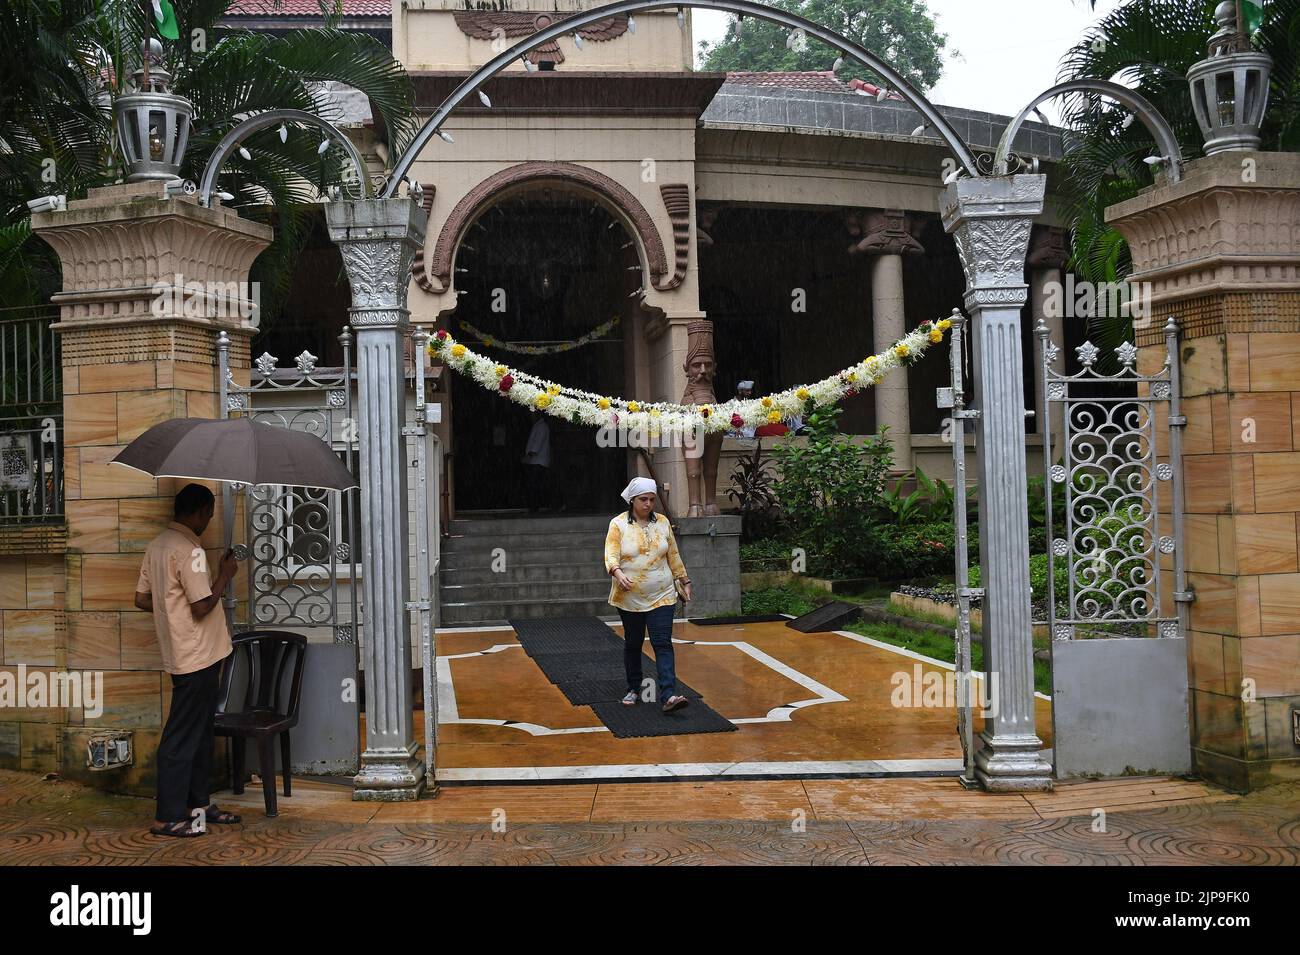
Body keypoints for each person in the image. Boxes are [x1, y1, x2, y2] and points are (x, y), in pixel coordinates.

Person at [134, 483, 240, 837]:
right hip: (199, 656)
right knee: (182, 736)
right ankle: (167, 816)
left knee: (198, 734)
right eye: (209, 514)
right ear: (197, 512)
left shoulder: (157, 545)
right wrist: (224, 576)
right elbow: (201, 606)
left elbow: (142, 598)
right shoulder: (189, 550)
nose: (209, 520)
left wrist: (171, 612)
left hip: (182, 653)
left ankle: (199, 805)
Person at [604, 477, 692, 712]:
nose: (648, 504)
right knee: (633, 643)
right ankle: (634, 688)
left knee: (662, 643)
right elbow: (610, 554)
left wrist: (684, 579)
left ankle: (669, 695)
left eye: (652, 500)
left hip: (662, 594)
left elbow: (673, 553)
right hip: (629, 596)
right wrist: (617, 572)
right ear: (632, 500)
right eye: (643, 499)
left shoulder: (662, 523)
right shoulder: (618, 524)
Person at [521, 412, 553, 512]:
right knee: (537, 486)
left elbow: (536, 446)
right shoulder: (539, 426)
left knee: (535, 486)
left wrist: (527, 457)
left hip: (538, 462)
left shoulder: (541, 427)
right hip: (536, 461)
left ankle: (535, 507)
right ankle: (536, 506)